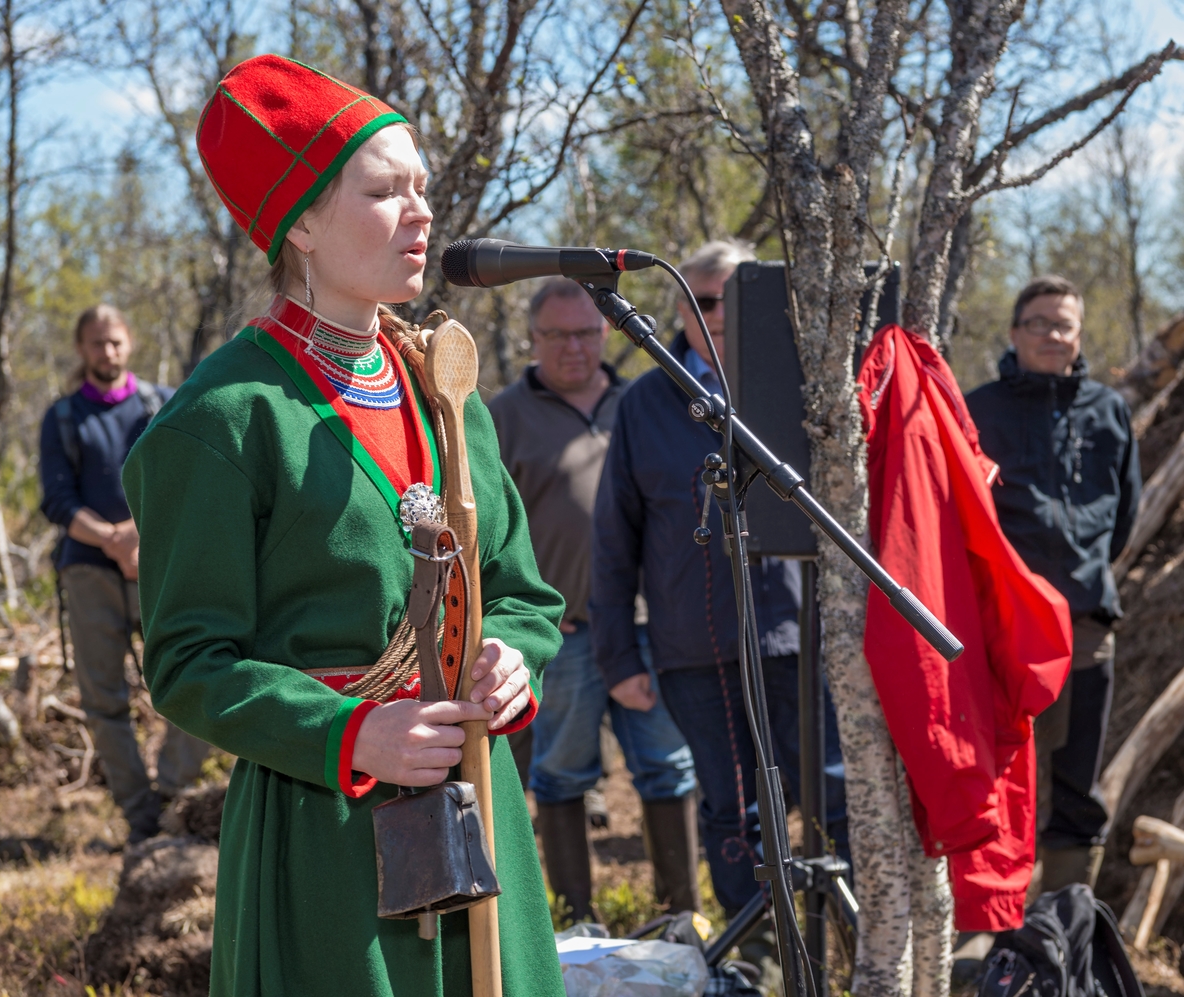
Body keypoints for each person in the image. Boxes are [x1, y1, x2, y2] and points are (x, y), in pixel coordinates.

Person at [121, 54, 565, 996]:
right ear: (304, 225)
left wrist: (512, 656)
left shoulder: (449, 394)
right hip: (324, 841)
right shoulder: (222, 420)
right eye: (383, 190)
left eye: (422, 187)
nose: (421, 213)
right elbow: (189, 661)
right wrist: (353, 732)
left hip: (480, 809)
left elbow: (525, 593)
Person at [590, 240, 849, 924]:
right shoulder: (646, 399)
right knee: (731, 807)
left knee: (828, 791)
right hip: (693, 648)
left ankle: (844, 935)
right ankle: (759, 942)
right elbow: (614, 538)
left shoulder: (802, 382)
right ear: (679, 307)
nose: (720, 315)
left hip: (798, 639)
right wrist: (618, 655)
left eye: (734, 300)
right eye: (706, 301)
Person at [488, 277, 699, 923]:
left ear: (606, 331)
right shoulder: (502, 416)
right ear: (533, 338)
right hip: (563, 631)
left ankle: (681, 916)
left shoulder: (644, 402)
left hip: (646, 626)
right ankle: (577, 917)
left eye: (585, 331)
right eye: (557, 334)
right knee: (560, 771)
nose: (573, 347)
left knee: (668, 767)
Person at [967, 275, 1140, 893]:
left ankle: (1063, 918)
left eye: (1063, 323)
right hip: (1004, 629)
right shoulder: (978, 407)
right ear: (1015, 332)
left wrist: (1080, 575)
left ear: (1079, 334)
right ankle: (988, 924)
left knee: (1075, 781)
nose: (1051, 334)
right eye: (1038, 322)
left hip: (1087, 623)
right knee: (997, 772)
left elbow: (1125, 514)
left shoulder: (1109, 409)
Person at [39, 304, 210, 844]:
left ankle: (174, 797)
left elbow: (181, 478)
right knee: (102, 700)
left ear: (129, 342)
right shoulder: (63, 417)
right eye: (96, 343)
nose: (106, 352)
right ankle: (140, 819)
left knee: (197, 671)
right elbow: (58, 501)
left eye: (114, 342)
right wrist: (113, 540)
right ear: (82, 348)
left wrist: (138, 537)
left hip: (158, 562)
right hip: (88, 572)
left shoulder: (159, 404)